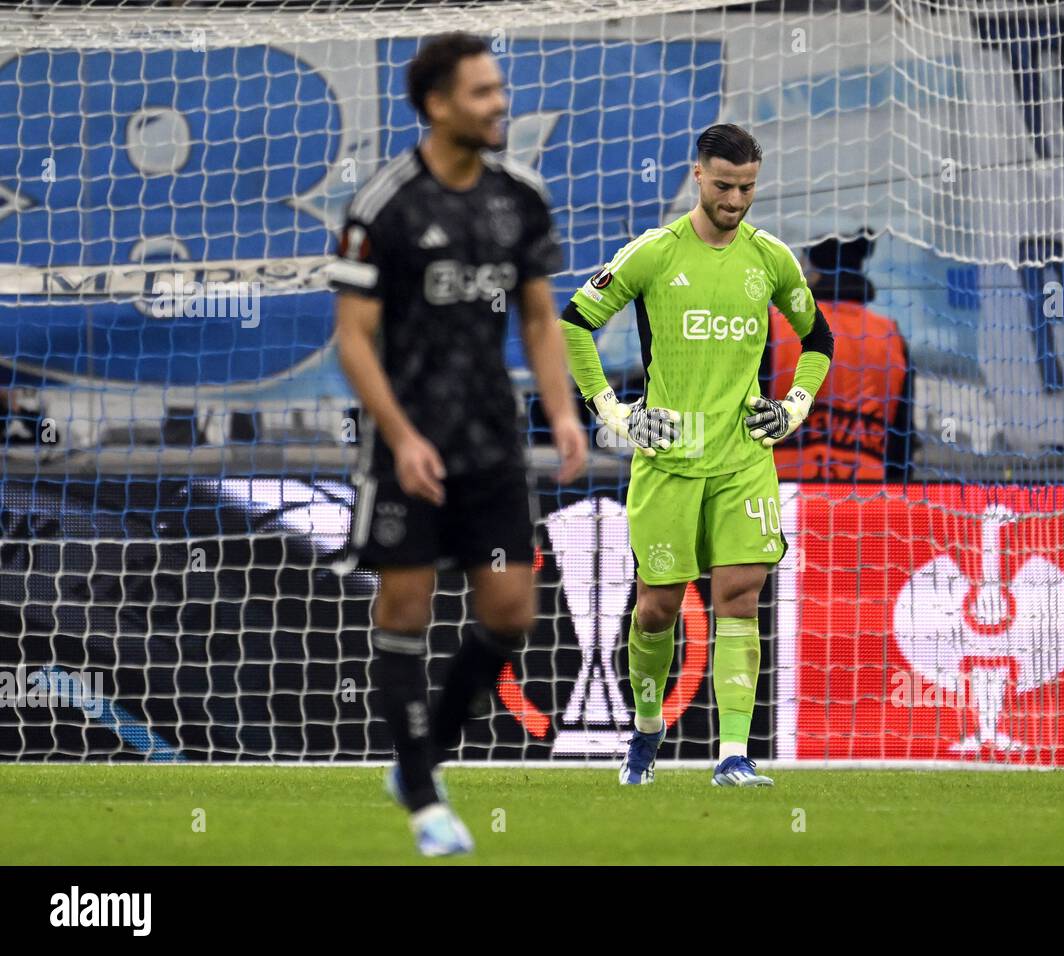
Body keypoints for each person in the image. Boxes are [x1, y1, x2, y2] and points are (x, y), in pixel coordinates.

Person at [329, 33, 585, 856]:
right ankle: (425, 801)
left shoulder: (521, 197)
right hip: (407, 449)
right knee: (404, 607)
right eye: (481, 93)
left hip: (491, 446)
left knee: (511, 613)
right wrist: (398, 437)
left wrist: (565, 413)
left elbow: (542, 318)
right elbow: (354, 341)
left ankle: (422, 757)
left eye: (499, 89)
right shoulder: (386, 206)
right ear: (438, 105)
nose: (499, 103)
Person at [560, 124, 833, 787]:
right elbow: (574, 322)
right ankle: (646, 733)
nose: (737, 200)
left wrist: (794, 406)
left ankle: (733, 757)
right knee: (657, 607)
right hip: (670, 458)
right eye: (725, 185)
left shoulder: (771, 259)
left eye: (748, 187)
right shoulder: (654, 254)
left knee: (740, 595)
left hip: (743, 457)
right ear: (697, 176)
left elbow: (818, 338)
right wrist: (614, 412)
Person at [768, 232, 911, 481]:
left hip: (784, 496)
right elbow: (902, 441)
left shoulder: (777, 324)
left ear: (816, 271)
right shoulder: (889, 336)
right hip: (864, 498)